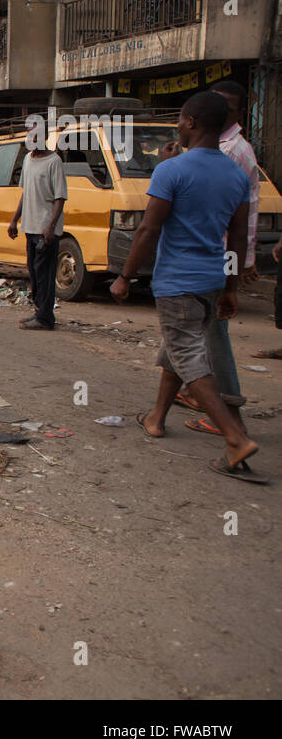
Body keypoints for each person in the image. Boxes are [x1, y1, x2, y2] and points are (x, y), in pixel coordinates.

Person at [111, 91, 260, 482]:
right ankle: (157, 417)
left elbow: (148, 228)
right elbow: (239, 236)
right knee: (176, 348)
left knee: (189, 355)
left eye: (180, 119)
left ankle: (234, 437)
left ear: (192, 123)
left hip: (177, 281)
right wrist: (230, 288)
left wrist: (125, 276)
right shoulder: (235, 173)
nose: (178, 125)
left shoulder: (171, 171)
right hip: (211, 279)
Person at [178, 79, 258, 434]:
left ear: (238, 112)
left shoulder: (235, 152)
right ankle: (185, 399)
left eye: (225, 105)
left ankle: (229, 416)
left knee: (213, 334)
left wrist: (235, 275)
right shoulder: (216, 147)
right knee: (183, 331)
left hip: (215, 254)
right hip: (200, 255)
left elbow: (239, 223)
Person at [8, 140, 68, 331]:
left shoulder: (54, 161)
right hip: (30, 226)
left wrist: (51, 227)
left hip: (45, 229)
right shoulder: (27, 159)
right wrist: (14, 220)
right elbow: (26, 193)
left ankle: (45, 318)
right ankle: (39, 312)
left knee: (45, 275)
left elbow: (60, 197)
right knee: (34, 274)